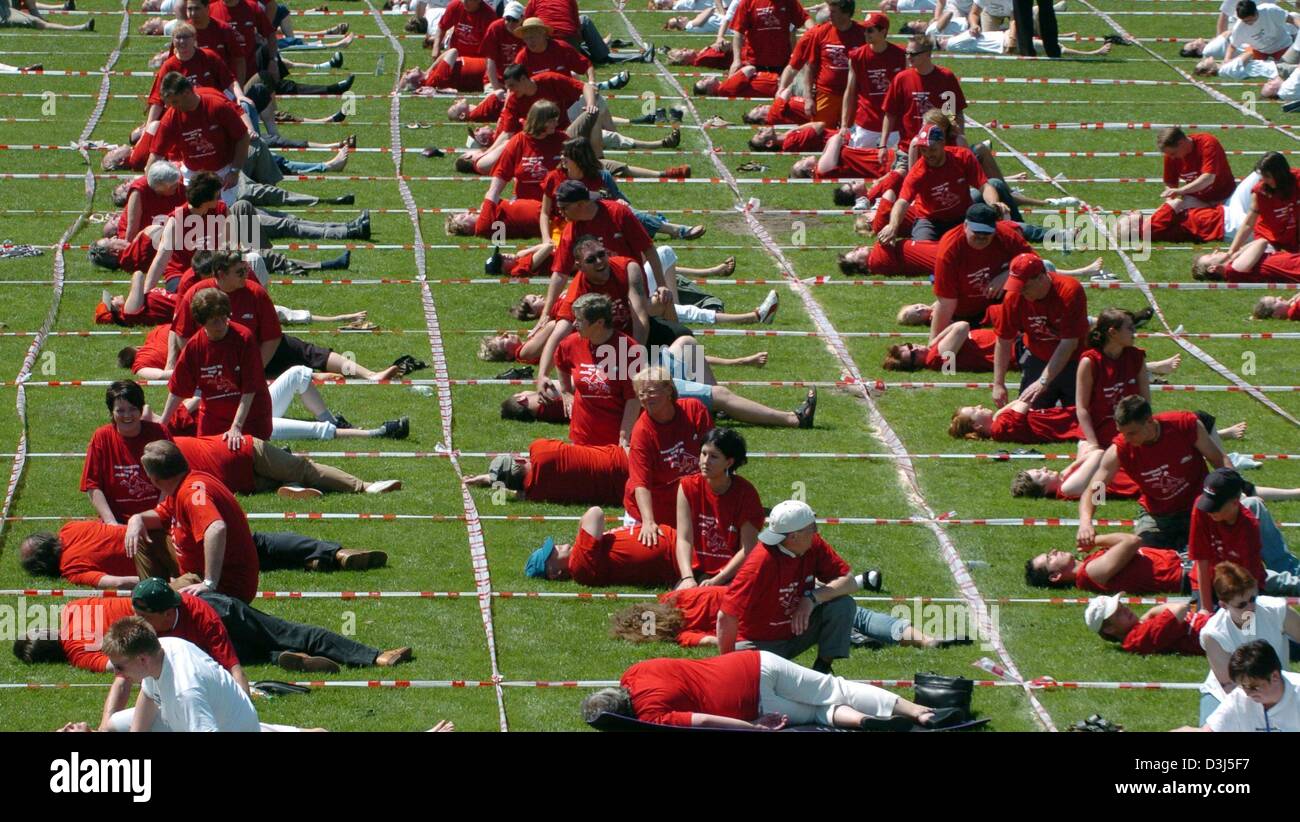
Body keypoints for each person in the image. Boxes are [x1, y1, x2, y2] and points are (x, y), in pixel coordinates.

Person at [13, 578, 413, 679]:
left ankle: (282, 658)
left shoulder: (79, 653)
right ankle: (370, 656)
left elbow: (120, 667)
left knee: (252, 649)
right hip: (197, 611)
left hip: (186, 628)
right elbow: (123, 591)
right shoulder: (73, 607)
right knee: (279, 634)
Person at [581, 650, 965, 730]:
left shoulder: (651, 717)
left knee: (817, 714)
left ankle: (863, 723)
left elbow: (703, 720)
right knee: (834, 687)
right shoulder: (636, 670)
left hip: (750, 703)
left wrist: (754, 728)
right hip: (752, 663)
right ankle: (919, 711)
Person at [717, 499, 871, 674]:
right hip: (757, 643)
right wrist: (727, 666)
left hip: (795, 633)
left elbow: (848, 581)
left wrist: (812, 598)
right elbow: (726, 616)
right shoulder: (759, 563)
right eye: (812, 527)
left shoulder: (813, 544)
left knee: (842, 605)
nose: (816, 531)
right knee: (756, 687)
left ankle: (823, 668)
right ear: (793, 537)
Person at [610, 581, 960, 650]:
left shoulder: (680, 635)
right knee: (856, 614)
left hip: (766, 623)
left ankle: (848, 636)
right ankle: (925, 638)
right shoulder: (675, 596)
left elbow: (717, 640)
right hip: (769, 592)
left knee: (838, 623)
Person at [1078, 395, 1230, 551]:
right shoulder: (1120, 449)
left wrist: (1233, 493)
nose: (1126, 439)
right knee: (1144, 556)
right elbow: (1098, 487)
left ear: (1149, 421)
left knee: (1221, 548)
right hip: (1157, 516)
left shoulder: (1184, 425)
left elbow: (1218, 461)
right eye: (1122, 433)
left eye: (1132, 433)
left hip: (1198, 506)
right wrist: (1085, 522)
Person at [125, 440, 261, 602]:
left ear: (154, 479)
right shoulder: (184, 483)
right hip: (196, 566)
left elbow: (216, 528)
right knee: (144, 535)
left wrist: (209, 582)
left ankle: (153, 601)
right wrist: (136, 519)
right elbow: (161, 515)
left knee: (146, 603)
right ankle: (152, 589)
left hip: (226, 582)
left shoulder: (190, 494)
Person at [100, 617, 261, 731]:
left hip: (228, 727)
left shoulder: (186, 693)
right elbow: (148, 696)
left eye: (120, 667)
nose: (116, 672)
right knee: (115, 724)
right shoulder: (158, 649)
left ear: (142, 659)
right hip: (206, 715)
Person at [160, 288, 275, 443]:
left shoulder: (244, 338)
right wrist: (162, 425)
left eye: (223, 317)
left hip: (250, 416)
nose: (221, 324)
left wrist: (236, 426)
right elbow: (178, 389)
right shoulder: (195, 347)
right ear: (201, 322)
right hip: (213, 419)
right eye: (214, 320)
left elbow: (250, 388)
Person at [1197, 563, 1300, 723]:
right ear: (1223, 605)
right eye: (1241, 605)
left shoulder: (1278, 610)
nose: (1251, 607)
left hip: (1279, 688)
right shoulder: (1213, 634)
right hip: (1229, 694)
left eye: (1253, 599)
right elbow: (1230, 686)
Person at [1189, 468, 1300, 609]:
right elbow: (1202, 560)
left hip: (1241, 581)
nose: (1210, 511)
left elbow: (1249, 581)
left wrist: (1244, 613)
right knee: (1202, 624)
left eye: (1215, 507)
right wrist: (1205, 609)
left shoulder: (1249, 526)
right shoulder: (1201, 509)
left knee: (1246, 622)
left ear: (1235, 502)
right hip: (1206, 581)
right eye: (1208, 504)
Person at [992, 252, 1089, 410]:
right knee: (1028, 415)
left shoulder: (1069, 291)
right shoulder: (1013, 297)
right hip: (1038, 358)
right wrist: (998, 383)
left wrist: (1043, 381)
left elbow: (1069, 343)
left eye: (1025, 287)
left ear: (1041, 277)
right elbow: (1003, 340)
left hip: (1074, 361)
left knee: (1079, 414)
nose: (1021, 292)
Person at [624, 365, 714, 534]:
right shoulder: (642, 431)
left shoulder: (694, 410)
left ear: (668, 390)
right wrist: (648, 522)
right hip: (650, 510)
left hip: (690, 502)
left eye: (651, 391)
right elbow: (640, 482)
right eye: (641, 394)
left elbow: (715, 452)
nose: (645, 398)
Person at [928, 203, 1034, 341]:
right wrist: (934, 342)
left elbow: (1032, 260)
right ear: (965, 226)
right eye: (977, 232)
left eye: (987, 233)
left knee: (1041, 272)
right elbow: (947, 301)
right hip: (964, 311)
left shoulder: (1004, 234)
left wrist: (1008, 274)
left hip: (997, 302)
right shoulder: (950, 250)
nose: (982, 237)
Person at [673, 427, 764, 588]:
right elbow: (684, 538)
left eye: (713, 456)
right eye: (703, 453)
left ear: (729, 462)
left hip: (733, 574)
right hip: (696, 573)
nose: (705, 461)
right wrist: (687, 577)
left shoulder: (746, 494)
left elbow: (748, 548)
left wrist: (718, 580)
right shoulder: (687, 486)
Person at [879, 126, 1001, 243]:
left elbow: (984, 186)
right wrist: (892, 226)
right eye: (923, 150)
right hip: (930, 220)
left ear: (943, 144)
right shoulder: (918, 172)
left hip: (962, 215)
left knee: (996, 184)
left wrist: (995, 204)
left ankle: (1010, 225)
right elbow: (902, 202)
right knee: (922, 249)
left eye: (932, 149)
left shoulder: (963, 157)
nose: (927, 154)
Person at [550, 292, 642, 447]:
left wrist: (624, 437)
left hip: (614, 438)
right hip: (581, 435)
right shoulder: (572, 343)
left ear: (599, 323)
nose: (574, 325)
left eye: (580, 320)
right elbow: (560, 361)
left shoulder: (629, 350)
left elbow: (633, 399)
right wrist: (566, 392)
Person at [149, 74, 252, 205]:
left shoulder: (217, 107)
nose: (172, 107)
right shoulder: (171, 118)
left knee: (224, 214)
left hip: (224, 171)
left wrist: (234, 171)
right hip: (192, 174)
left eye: (175, 102)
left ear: (187, 93)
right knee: (193, 215)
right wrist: (148, 184)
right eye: (169, 104)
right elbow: (156, 154)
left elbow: (243, 137)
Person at [524, 505, 679, 586]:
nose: (559, 546)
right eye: (553, 552)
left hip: (672, 544)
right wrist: (581, 527)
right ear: (554, 573)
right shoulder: (579, 564)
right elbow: (595, 513)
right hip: (673, 551)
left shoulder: (580, 561)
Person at [777, 0, 865, 129]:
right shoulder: (820, 33)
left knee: (852, 134)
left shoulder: (863, 34)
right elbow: (809, 66)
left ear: (846, 13)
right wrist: (807, 98)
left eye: (833, 12)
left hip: (854, 94)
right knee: (821, 132)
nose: (830, 15)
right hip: (827, 94)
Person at [462, 439, 629, 505]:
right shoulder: (540, 449)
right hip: (625, 458)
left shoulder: (535, 495)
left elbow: (518, 492)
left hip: (626, 492)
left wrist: (488, 479)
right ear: (519, 460)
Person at [1075, 308, 1147, 450]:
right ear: (1113, 332)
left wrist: (1143, 434)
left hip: (1130, 432)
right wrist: (1093, 445)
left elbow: (1145, 403)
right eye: (1129, 328)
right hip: (1095, 433)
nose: (1134, 332)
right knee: (1093, 461)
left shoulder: (1136, 357)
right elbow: (1082, 409)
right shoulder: (1090, 361)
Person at [879, 35, 967, 149]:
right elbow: (890, 113)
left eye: (913, 54)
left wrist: (959, 136)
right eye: (907, 53)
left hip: (940, 149)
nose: (908, 57)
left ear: (927, 54)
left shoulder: (946, 77)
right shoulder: (901, 79)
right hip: (908, 146)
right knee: (899, 168)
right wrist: (882, 145)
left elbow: (957, 112)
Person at [1025, 533, 1188, 593]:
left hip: (1183, 559)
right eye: (1049, 558)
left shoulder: (1089, 565)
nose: (1053, 551)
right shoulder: (1090, 573)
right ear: (1055, 576)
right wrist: (1094, 540)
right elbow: (1132, 541)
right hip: (1186, 572)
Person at [1198, 640, 1300, 732]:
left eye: (1254, 687)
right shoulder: (1239, 697)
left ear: (1275, 676)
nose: (1248, 693)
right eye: (1243, 686)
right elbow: (1210, 730)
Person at [842, 11, 907, 148]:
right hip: (866, 123)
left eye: (870, 30)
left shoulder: (901, 55)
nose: (865, 34)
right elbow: (850, 91)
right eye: (864, 30)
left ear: (883, 31)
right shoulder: (856, 56)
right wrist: (844, 124)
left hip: (894, 124)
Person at [1084, 593, 1209, 656]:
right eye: (1118, 613)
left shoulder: (1138, 630)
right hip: (1210, 630)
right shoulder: (1138, 636)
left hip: (1207, 622)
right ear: (1110, 629)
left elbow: (1188, 608)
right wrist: (1151, 612)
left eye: (1122, 606)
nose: (1126, 610)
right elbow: (1180, 609)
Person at [1157, 127, 1236, 212]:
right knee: (1178, 216)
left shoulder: (1207, 143)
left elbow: (1208, 178)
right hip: (1196, 198)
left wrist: (1180, 191)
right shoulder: (1171, 156)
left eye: (1173, 153)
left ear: (1181, 143)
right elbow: (1170, 182)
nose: (1172, 158)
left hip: (1225, 196)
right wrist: (1170, 201)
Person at [729, 0, 810, 76]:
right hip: (753, 61)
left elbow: (805, 19)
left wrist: (817, 33)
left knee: (782, 90)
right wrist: (736, 59)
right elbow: (738, 33)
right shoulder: (747, 2)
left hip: (782, 61)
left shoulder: (789, 2)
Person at [947, 398, 1081, 443]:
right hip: (1072, 423)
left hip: (1070, 418)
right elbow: (1025, 399)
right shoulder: (999, 428)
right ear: (977, 425)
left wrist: (999, 413)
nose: (980, 406)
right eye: (975, 410)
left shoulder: (999, 423)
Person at [120, 162, 189, 244]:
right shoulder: (139, 191)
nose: (177, 186)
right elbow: (132, 228)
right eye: (172, 185)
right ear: (160, 186)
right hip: (141, 237)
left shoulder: (180, 189)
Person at [1223, 0, 1300, 63]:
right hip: (1259, 50)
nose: (1249, 23)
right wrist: (1227, 59)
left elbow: (1292, 19)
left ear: (1256, 12)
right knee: (1244, 66)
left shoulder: (1270, 10)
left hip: (1282, 45)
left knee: (1285, 68)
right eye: (1245, 21)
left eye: (1251, 20)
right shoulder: (1239, 27)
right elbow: (1232, 46)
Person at [0, 0, 93, 29]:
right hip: (3, 14)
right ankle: (77, 28)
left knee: (24, 3)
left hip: (6, 6)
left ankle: (62, 7)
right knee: (36, 21)